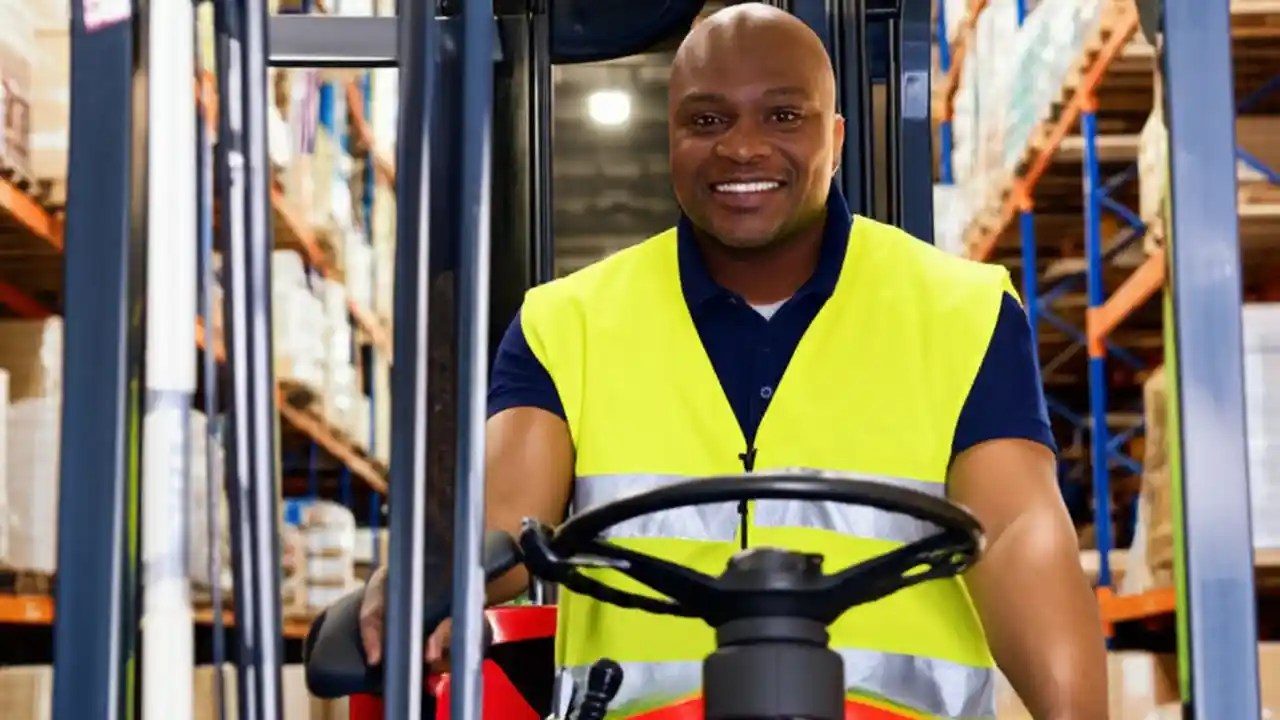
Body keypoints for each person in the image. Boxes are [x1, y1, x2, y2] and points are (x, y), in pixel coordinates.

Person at [359, 3, 1108, 718]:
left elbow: (1017, 533)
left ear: (836, 138)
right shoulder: (567, 322)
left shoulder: (963, 312)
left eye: (783, 116)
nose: (742, 147)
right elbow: (503, 526)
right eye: (707, 120)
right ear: (670, 139)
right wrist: (429, 571)